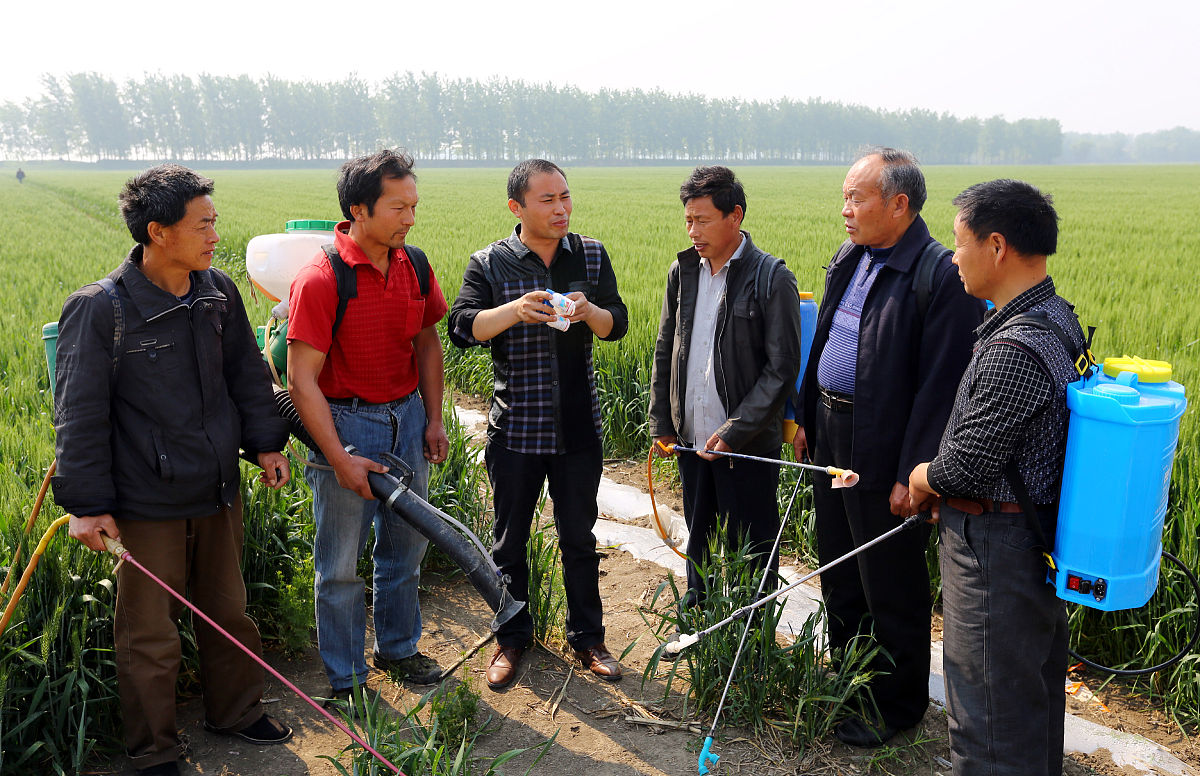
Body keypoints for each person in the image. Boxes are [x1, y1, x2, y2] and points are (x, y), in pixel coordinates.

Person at [53, 164, 293, 776]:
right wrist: (85, 504)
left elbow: (247, 373)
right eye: (203, 223)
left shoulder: (217, 292)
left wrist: (266, 443)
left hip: (215, 486)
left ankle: (236, 713)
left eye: (214, 221)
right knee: (149, 635)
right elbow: (79, 414)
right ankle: (155, 750)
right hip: (144, 499)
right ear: (158, 232)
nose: (215, 233)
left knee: (228, 609)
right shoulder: (100, 308)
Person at [794, 148, 985, 747]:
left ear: (899, 204)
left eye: (858, 198)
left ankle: (896, 705)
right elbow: (824, 337)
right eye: (845, 197)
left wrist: (914, 471)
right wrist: (805, 417)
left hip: (887, 446)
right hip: (833, 434)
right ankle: (850, 679)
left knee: (891, 581)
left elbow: (943, 385)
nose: (845, 209)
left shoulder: (938, 274)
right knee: (839, 568)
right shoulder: (851, 257)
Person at [909, 180, 1082, 776]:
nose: (953, 257)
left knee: (985, 718)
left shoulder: (1015, 346)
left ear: (998, 245)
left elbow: (966, 467)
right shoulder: (1059, 318)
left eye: (960, 243)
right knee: (1027, 701)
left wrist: (921, 476)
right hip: (1032, 541)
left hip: (994, 558)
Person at [448, 159, 628, 690]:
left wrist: (589, 311)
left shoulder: (590, 254)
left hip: (578, 429)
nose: (561, 209)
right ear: (517, 207)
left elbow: (617, 323)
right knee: (509, 542)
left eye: (565, 197)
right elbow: (462, 327)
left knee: (579, 536)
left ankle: (589, 639)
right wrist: (513, 311)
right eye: (547, 200)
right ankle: (510, 638)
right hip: (517, 429)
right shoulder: (490, 263)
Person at [287, 150, 449, 703]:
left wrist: (432, 418)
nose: (410, 218)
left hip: (406, 417)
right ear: (358, 209)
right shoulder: (322, 277)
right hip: (346, 423)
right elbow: (301, 381)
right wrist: (336, 456)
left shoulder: (414, 264)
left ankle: (399, 650)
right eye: (398, 207)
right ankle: (347, 678)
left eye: (413, 206)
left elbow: (427, 339)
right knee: (340, 564)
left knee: (405, 546)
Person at [648, 165, 802, 610]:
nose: (693, 231)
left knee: (752, 547)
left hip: (745, 445)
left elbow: (781, 370)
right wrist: (663, 419)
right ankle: (699, 624)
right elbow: (666, 348)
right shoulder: (684, 273)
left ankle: (751, 640)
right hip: (691, 438)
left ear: (735, 215)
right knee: (700, 536)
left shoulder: (771, 278)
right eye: (688, 221)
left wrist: (734, 431)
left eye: (703, 220)